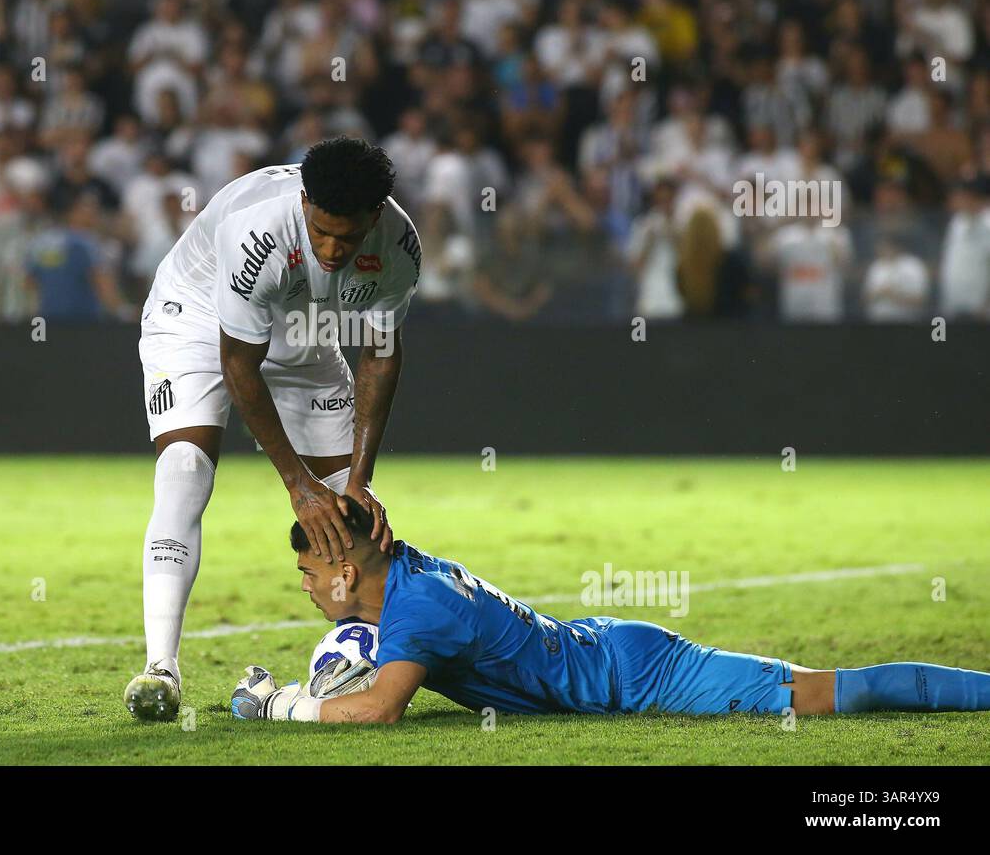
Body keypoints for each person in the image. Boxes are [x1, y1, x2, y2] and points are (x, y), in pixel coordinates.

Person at [124, 137, 420, 721]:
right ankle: (161, 668)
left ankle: (380, 660)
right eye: (322, 232)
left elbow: (381, 357)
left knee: (355, 513)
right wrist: (298, 485)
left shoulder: (400, 246)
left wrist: (358, 479)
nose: (333, 249)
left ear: (376, 216)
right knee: (184, 469)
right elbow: (238, 364)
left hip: (304, 330)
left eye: (349, 236)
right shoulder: (258, 231)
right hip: (198, 318)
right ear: (305, 200)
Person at [230, 504, 990, 723]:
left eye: (307, 569)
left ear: (346, 568)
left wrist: (278, 707)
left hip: (635, 674)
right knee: (824, 690)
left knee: (825, 694)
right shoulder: (406, 567)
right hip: (600, 644)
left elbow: (380, 712)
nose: (301, 583)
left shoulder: (417, 610)